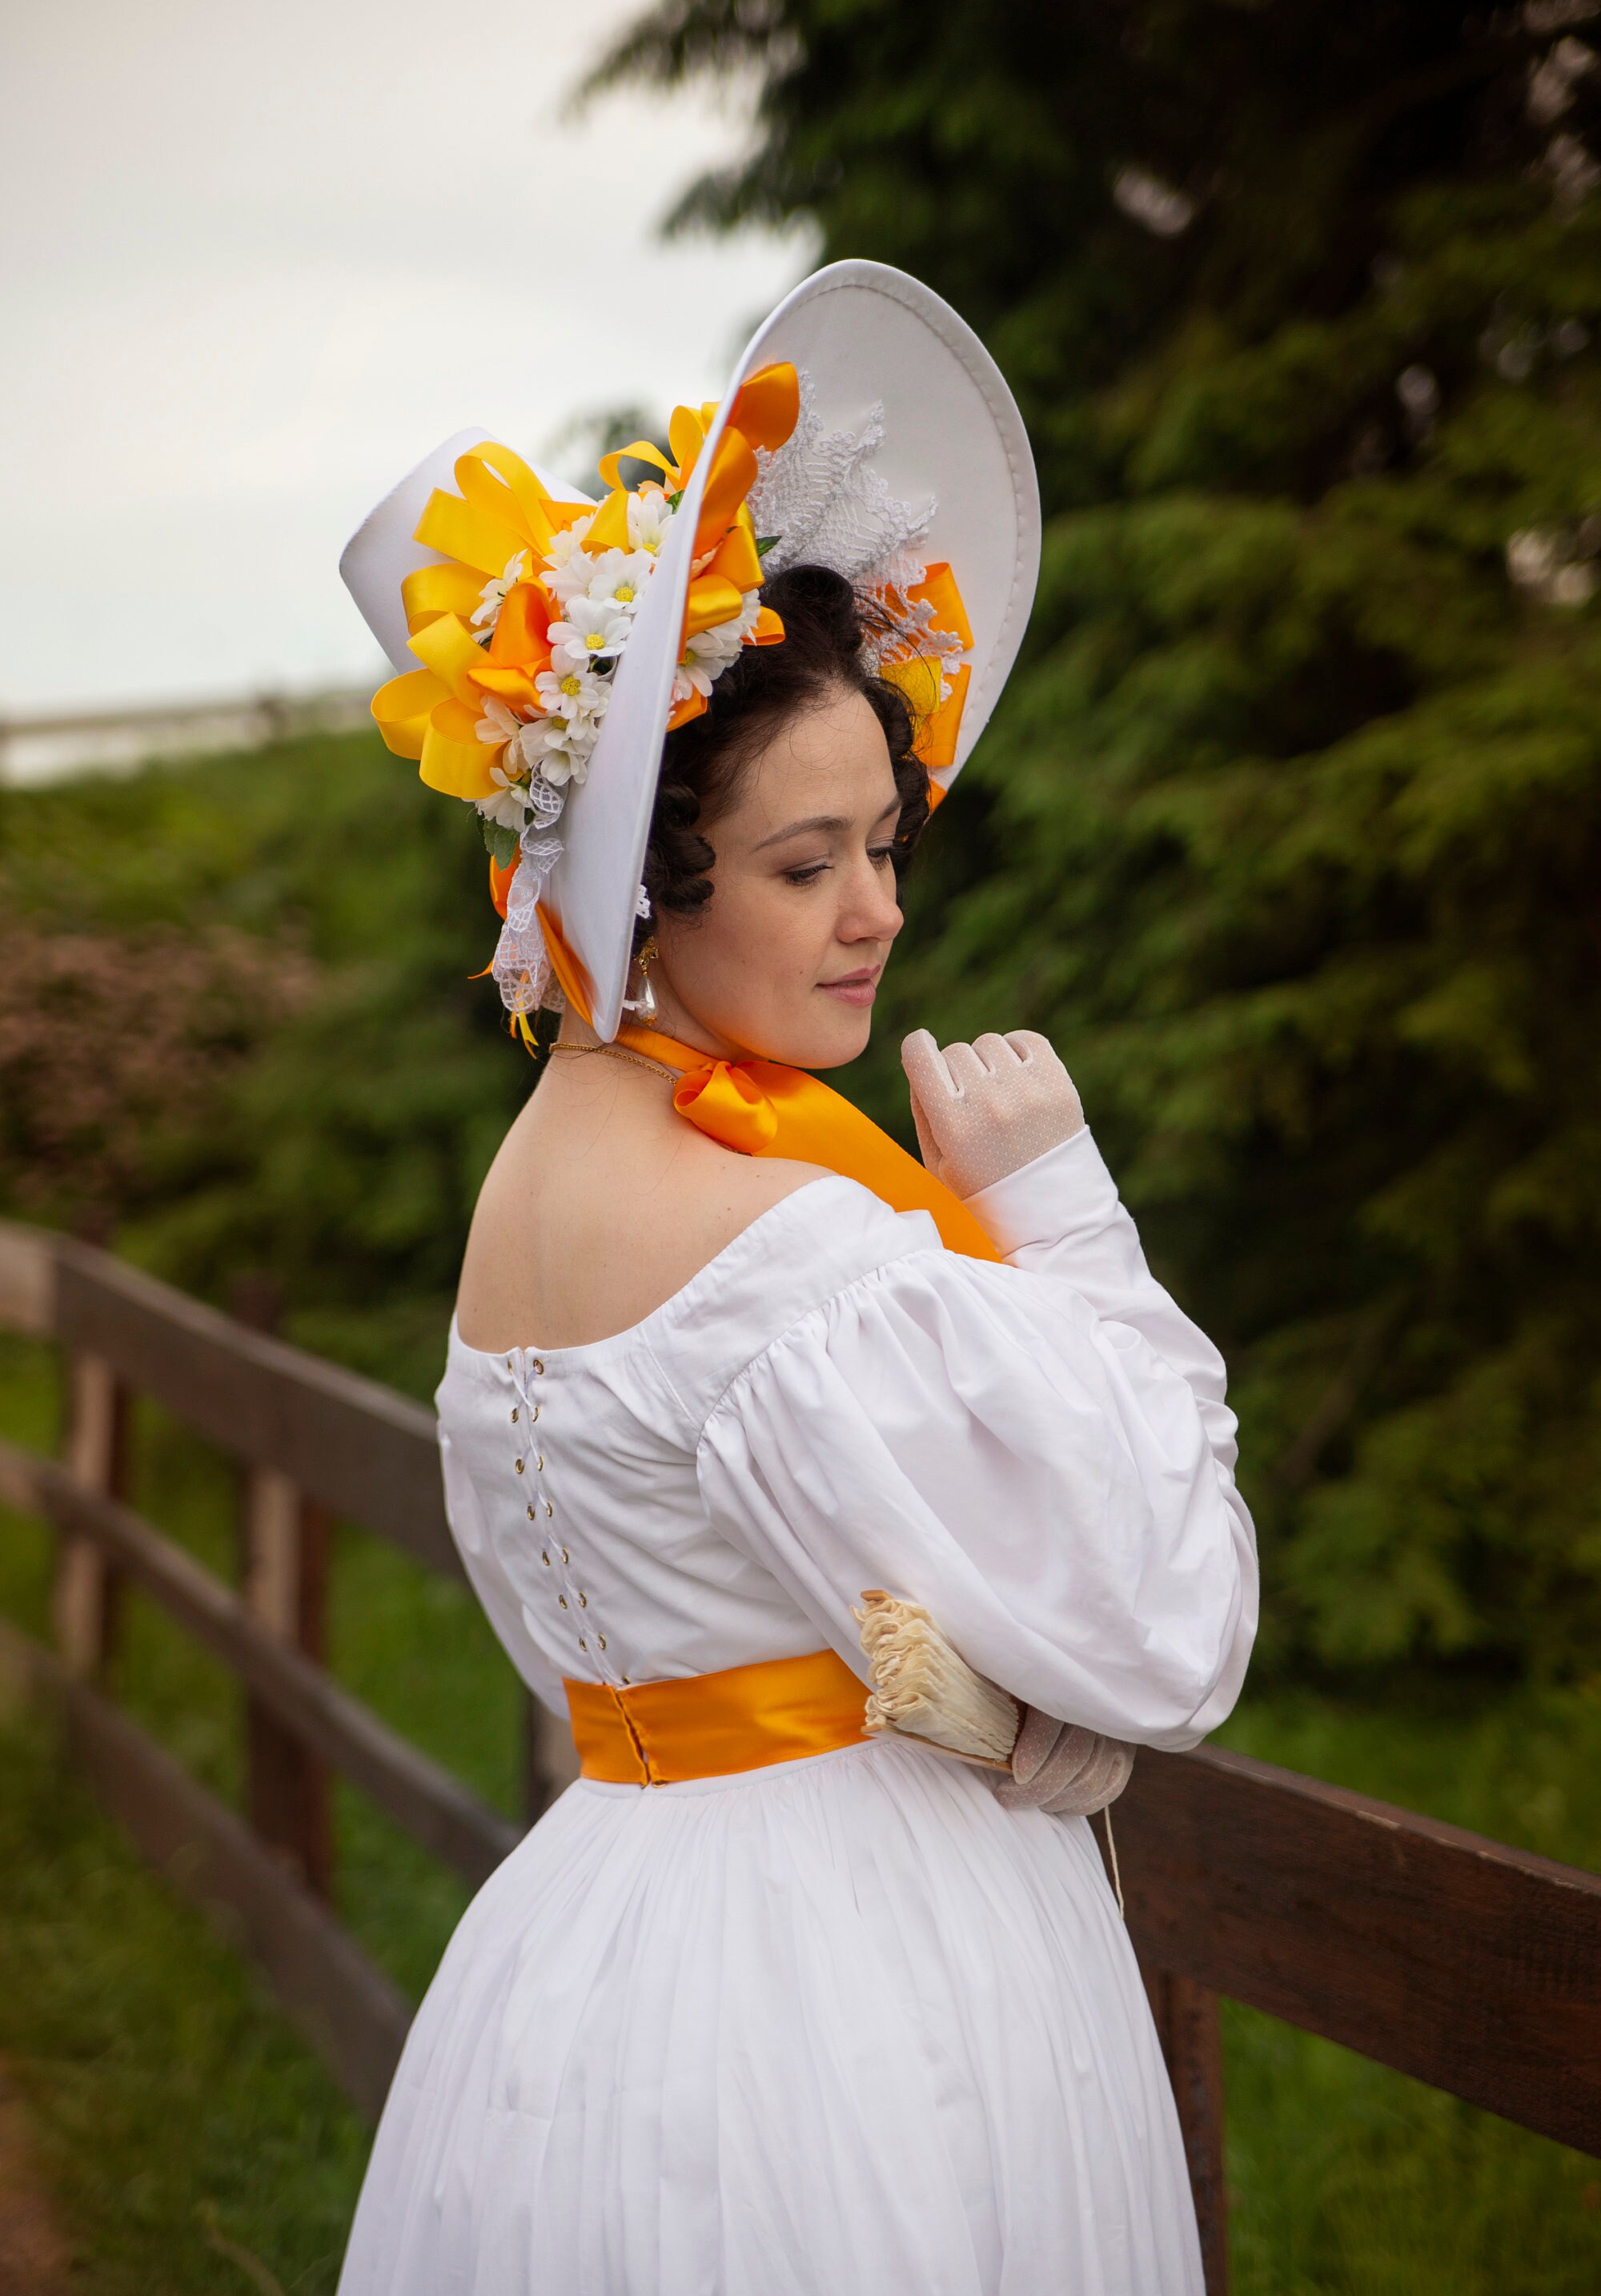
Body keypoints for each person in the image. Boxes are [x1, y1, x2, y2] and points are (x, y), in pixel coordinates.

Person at [334, 263, 1257, 2295]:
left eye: (884, 844)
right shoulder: (787, 1249)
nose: (876, 914)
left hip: (595, 1951)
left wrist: (972, 1691)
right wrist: (1060, 1211)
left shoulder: (532, 1182)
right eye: (802, 863)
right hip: (849, 1989)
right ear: (641, 894)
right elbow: (1176, 1626)